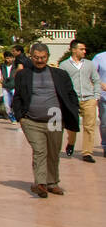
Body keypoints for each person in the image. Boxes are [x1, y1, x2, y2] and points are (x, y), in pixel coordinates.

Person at [13, 42, 81, 197]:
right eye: (36, 57)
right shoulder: (24, 75)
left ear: (48, 57)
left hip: (55, 119)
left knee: (53, 152)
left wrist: (73, 109)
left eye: (43, 57)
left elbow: (70, 94)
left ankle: (52, 182)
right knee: (40, 150)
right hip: (31, 120)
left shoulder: (60, 74)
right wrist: (20, 117)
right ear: (31, 57)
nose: (39, 60)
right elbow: (17, 96)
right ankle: (41, 184)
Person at [58, 39, 97, 163]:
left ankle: (87, 153)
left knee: (89, 127)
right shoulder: (64, 65)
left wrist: (96, 96)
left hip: (89, 98)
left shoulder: (90, 64)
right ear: (73, 50)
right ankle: (71, 143)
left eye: (85, 49)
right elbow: (61, 83)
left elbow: (96, 80)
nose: (84, 51)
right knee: (72, 126)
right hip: (72, 100)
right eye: (82, 49)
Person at [0, 49, 18, 125]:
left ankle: (18, 117)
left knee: (16, 103)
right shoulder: (2, 66)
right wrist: (4, 83)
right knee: (7, 105)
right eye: (7, 58)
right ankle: (12, 118)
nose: (9, 59)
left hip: (14, 87)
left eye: (10, 58)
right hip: (5, 87)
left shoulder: (16, 66)